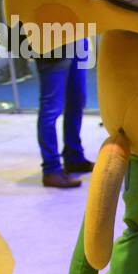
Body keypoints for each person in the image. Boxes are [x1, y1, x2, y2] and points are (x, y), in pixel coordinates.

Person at [35, 38, 94, 188]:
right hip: (50, 38)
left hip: (76, 36)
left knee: (77, 100)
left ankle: (74, 157)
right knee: (51, 109)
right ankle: (51, 169)